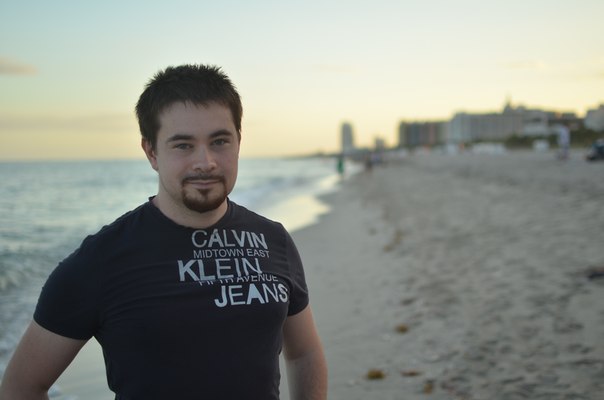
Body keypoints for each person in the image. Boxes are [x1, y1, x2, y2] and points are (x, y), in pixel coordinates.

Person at [0, 64, 327, 400]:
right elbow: (21, 387)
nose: (206, 162)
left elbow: (304, 353)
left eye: (219, 141)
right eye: (183, 145)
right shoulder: (102, 260)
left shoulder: (274, 241)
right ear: (151, 152)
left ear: (238, 142)